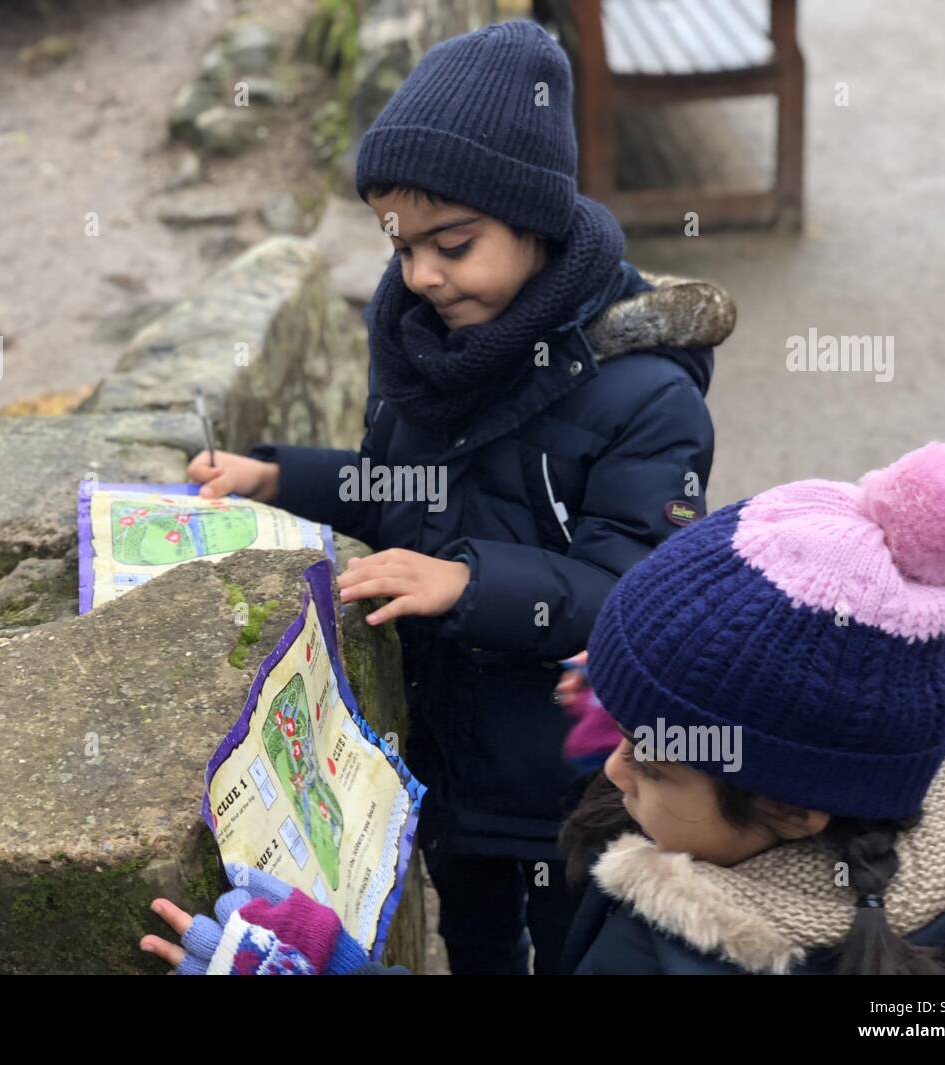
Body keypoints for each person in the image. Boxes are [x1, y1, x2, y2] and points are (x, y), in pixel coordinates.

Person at [182, 19, 726, 975]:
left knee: (570, 951)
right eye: (401, 248)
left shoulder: (644, 397)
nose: (423, 276)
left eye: (455, 244)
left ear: (537, 222)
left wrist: (464, 583)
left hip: (576, 779)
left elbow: (633, 590)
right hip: (449, 757)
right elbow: (396, 486)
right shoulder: (427, 349)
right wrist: (277, 475)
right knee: (471, 938)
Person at [144, 441, 945, 975]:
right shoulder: (939, 855)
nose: (611, 766)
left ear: (793, 808)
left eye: (651, 761)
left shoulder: (676, 956)